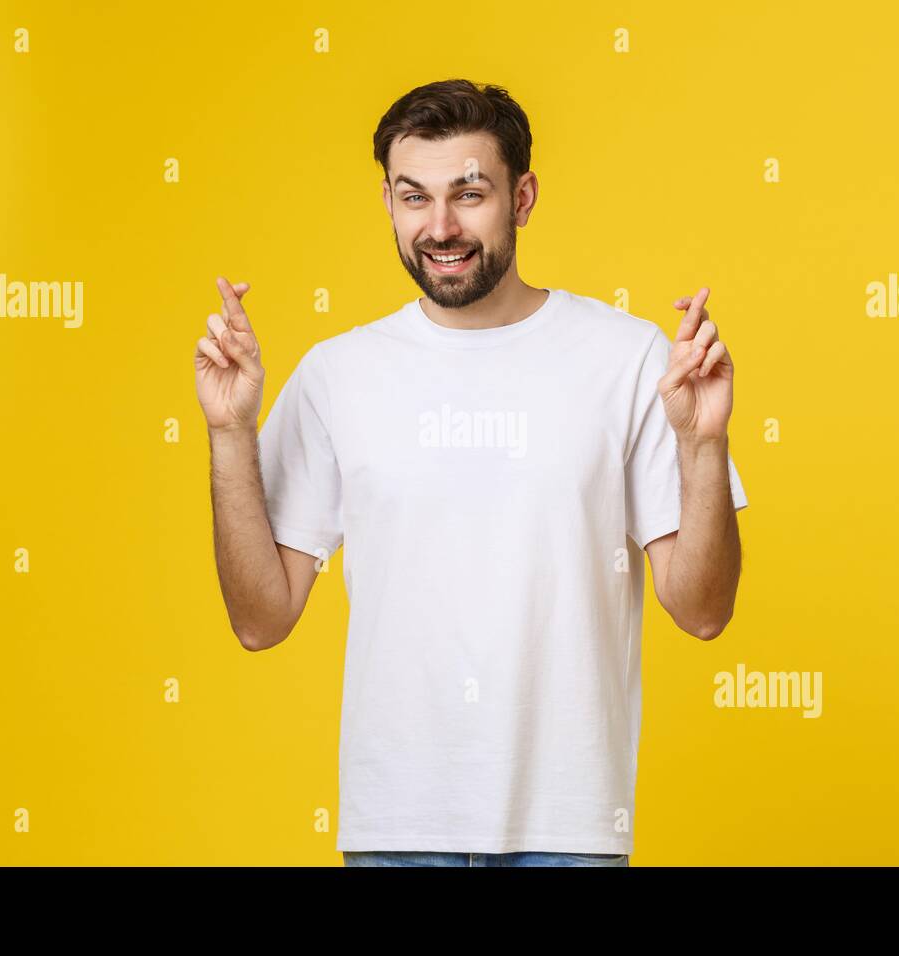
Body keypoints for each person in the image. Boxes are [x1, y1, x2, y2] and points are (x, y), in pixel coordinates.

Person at [195, 79, 747, 868]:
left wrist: (704, 445)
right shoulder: (338, 374)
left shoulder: (629, 359)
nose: (441, 227)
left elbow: (702, 611)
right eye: (414, 197)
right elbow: (260, 620)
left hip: (571, 833)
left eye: (470, 193)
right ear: (387, 200)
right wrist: (228, 433)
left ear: (522, 198)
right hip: (396, 835)